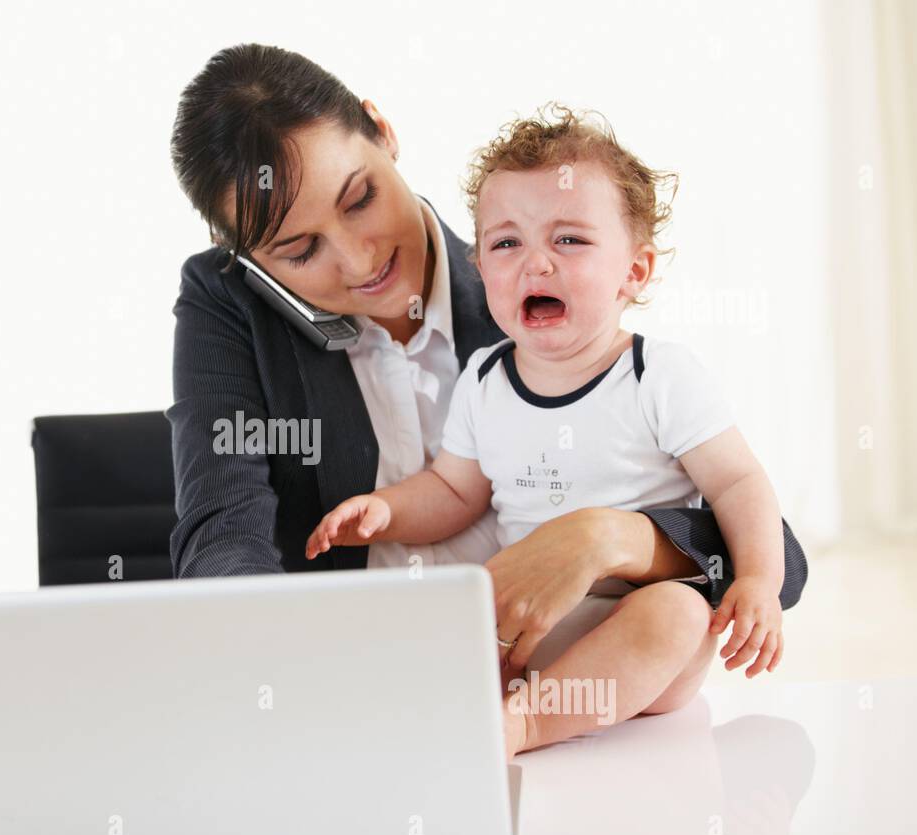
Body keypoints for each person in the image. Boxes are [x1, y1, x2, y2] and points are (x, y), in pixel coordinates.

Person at [166, 44, 807, 697]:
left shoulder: (529, 276)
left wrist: (608, 537)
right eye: (300, 249)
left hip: (556, 690)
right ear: (238, 251)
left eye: (360, 199)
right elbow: (224, 533)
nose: (360, 262)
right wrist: (266, 664)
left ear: (382, 130)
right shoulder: (231, 304)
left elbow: (777, 552)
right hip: (358, 689)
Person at [306, 105, 787, 758]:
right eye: (507, 243)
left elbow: (737, 482)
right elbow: (453, 490)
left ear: (635, 271)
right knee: (437, 621)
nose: (536, 263)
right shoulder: (485, 379)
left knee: (676, 613)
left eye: (569, 240)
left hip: (640, 627)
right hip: (532, 627)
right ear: (480, 266)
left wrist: (757, 577)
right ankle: (472, 708)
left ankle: (527, 724)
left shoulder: (658, 375)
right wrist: (385, 509)